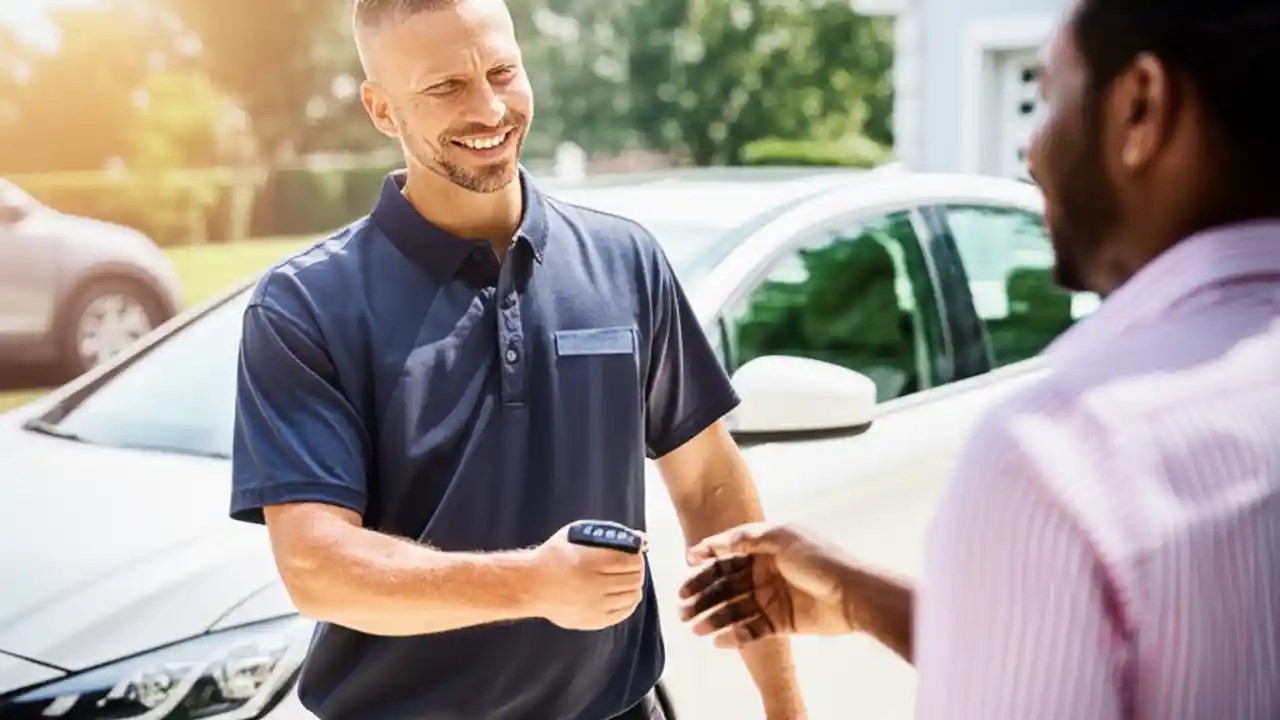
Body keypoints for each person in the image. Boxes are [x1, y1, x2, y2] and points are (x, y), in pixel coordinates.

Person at [677, 0, 1280, 717]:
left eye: (1049, 95)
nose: (1031, 149)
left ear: (1140, 108)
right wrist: (865, 599)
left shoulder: (1063, 459)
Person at [227, 0, 806, 718]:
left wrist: (784, 706)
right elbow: (319, 568)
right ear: (381, 110)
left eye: (503, 71)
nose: (490, 108)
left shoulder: (625, 262)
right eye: (445, 88)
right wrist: (534, 582)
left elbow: (712, 487)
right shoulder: (307, 304)